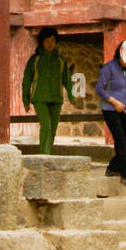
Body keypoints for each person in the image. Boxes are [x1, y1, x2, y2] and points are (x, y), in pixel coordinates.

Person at [21, 27, 75, 155]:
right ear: (42, 42)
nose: (50, 44)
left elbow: (67, 79)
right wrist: (26, 100)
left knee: (53, 129)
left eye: (52, 41)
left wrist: (71, 96)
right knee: (46, 126)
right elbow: (26, 81)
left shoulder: (60, 60)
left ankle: (48, 154)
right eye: (47, 41)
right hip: (39, 98)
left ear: (56, 42)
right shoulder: (35, 60)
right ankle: (44, 156)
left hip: (56, 98)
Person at [96, 40, 126, 186]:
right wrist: (115, 103)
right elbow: (99, 89)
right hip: (110, 109)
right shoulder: (108, 68)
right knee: (120, 138)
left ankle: (113, 167)